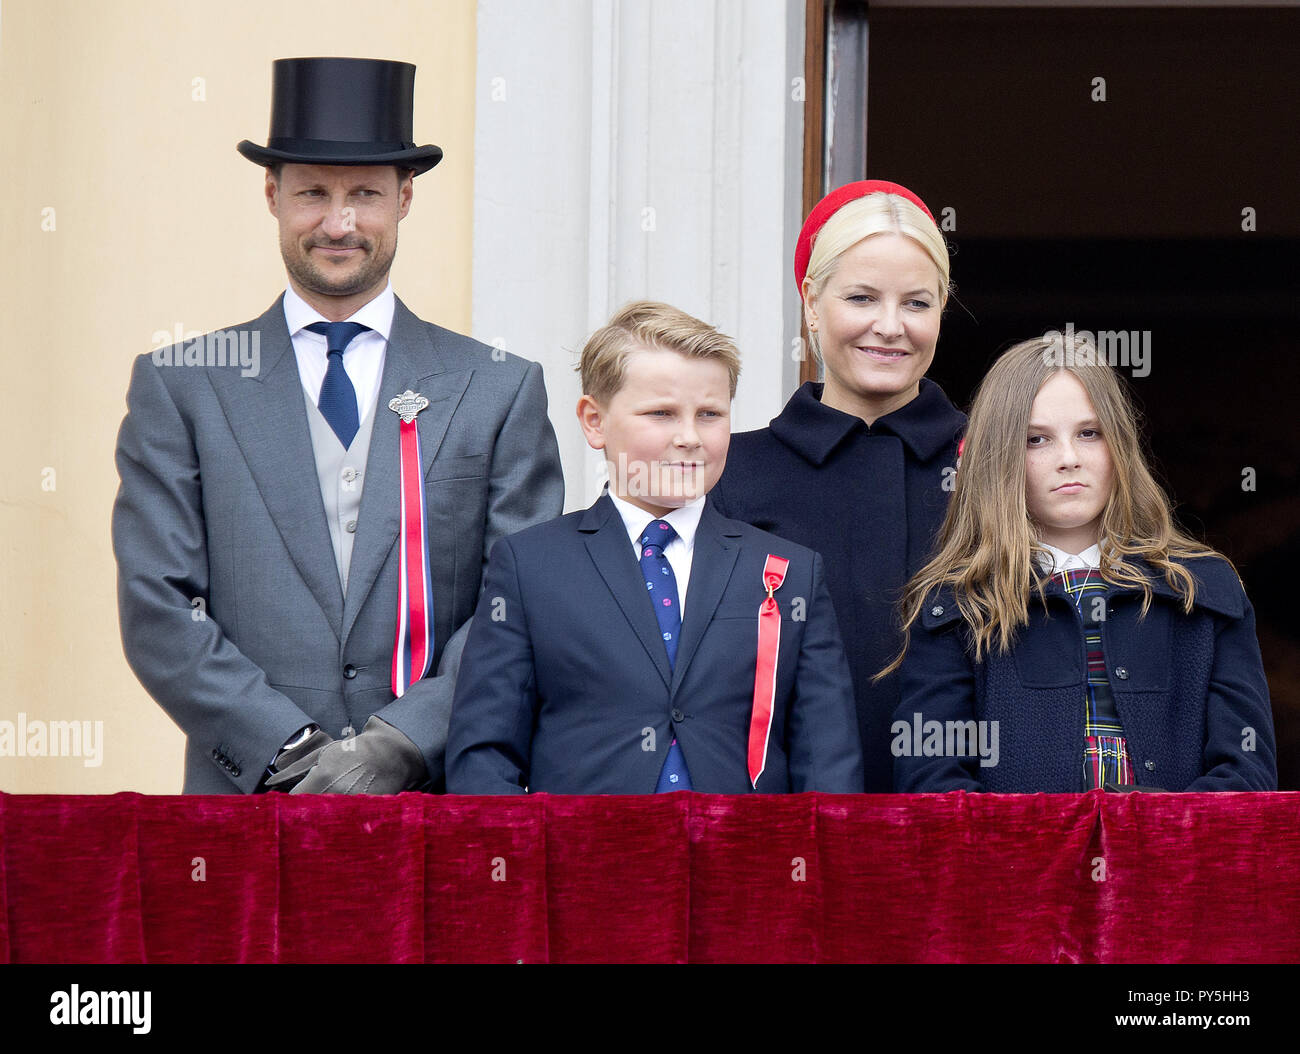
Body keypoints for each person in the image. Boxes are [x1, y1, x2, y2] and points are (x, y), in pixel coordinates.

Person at [112, 57, 563, 794]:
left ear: (406, 197)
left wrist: (406, 741)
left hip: (435, 807)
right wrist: (286, 752)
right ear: (272, 194)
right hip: (244, 814)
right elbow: (158, 604)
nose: (338, 222)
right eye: (312, 193)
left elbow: (515, 605)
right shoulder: (184, 384)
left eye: (365, 195)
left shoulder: (500, 388)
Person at [446, 301, 863, 794]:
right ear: (594, 421)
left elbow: (828, 761)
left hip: (747, 863)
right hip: (585, 862)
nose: (688, 438)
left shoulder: (787, 570)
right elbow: (485, 754)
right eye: (661, 414)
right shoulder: (530, 565)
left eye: (709, 414)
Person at [887, 335, 1276, 792]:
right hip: (1015, 863)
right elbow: (933, 782)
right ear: (997, 459)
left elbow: (1247, 778)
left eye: (1089, 433)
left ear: (1121, 446)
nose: (1068, 459)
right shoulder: (955, 602)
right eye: (1037, 440)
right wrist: (1047, 846)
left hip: (1171, 860)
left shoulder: (1204, 588)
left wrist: (1146, 838)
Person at [710, 180, 966, 792]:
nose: (890, 326)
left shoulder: (1001, 465)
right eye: (861, 297)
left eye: (916, 303)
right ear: (811, 303)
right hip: (779, 828)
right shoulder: (726, 470)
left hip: (971, 828)